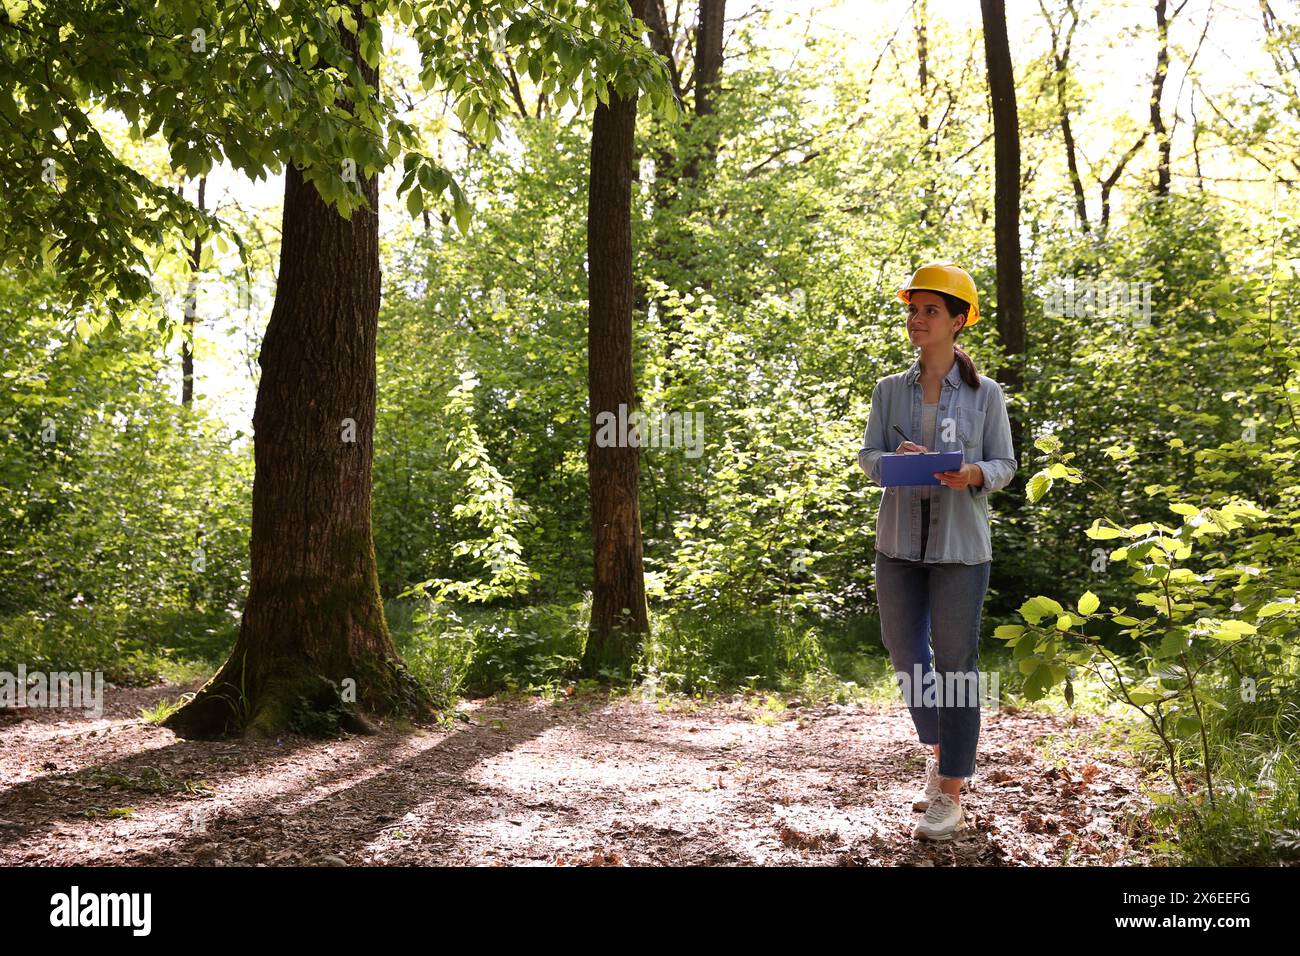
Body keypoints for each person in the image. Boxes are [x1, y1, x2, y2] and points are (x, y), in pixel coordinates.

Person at [857, 262, 1017, 841]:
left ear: (957, 321)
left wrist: (974, 471)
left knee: (957, 667)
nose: (916, 318)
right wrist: (893, 460)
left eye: (930, 310)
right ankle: (941, 745)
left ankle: (950, 789)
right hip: (897, 544)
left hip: (960, 549)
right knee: (905, 655)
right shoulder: (887, 391)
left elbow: (1005, 465)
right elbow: (869, 458)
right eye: (913, 308)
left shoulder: (986, 394)